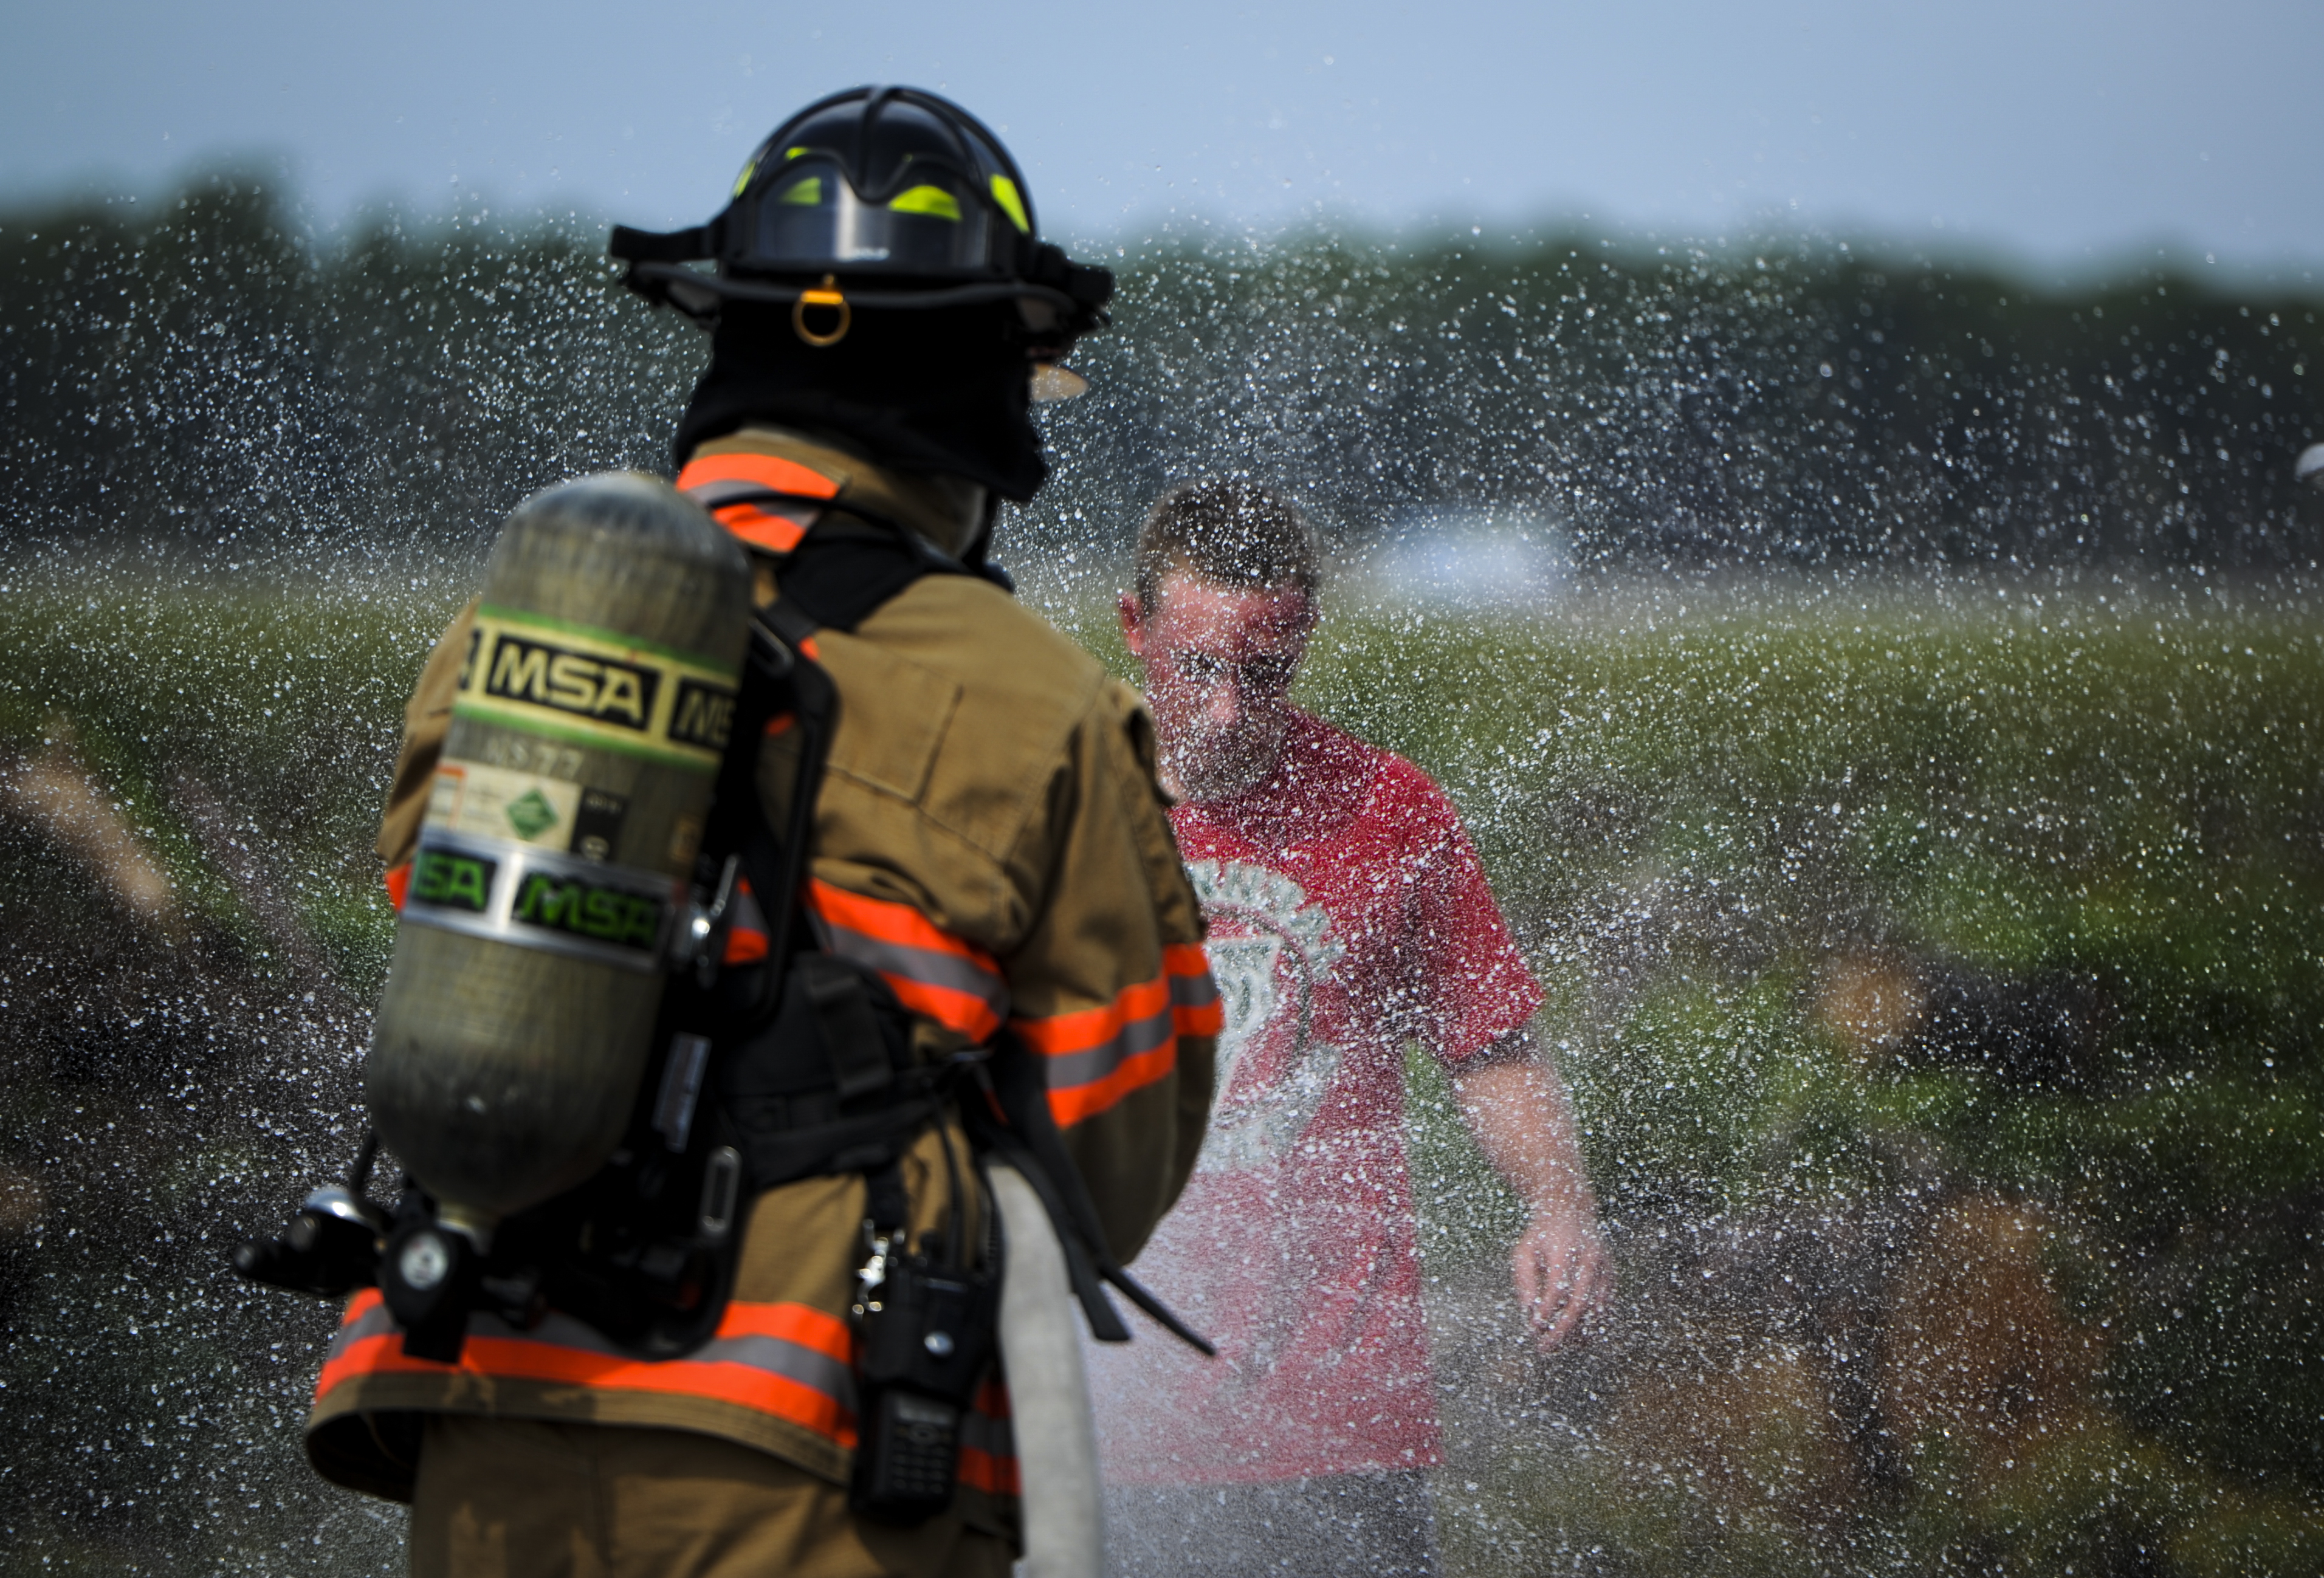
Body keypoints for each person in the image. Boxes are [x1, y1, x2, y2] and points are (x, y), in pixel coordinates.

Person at [300, 87, 1219, 1578]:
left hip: (484, 1403)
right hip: (812, 1447)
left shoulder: (514, 628)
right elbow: (1113, 1144)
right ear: (970, 375)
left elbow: (442, 944)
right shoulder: (1034, 698)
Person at [1089, 479, 1609, 1576]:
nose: (1228, 711)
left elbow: (1489, 1044)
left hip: (1337, 1417)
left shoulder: (1390, 811)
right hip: (1105, 1419)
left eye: (1265, 674)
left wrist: (1558, 1200)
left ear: (1305, 637)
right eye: (1198, 668)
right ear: (1136, 626)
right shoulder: (1059, 801)